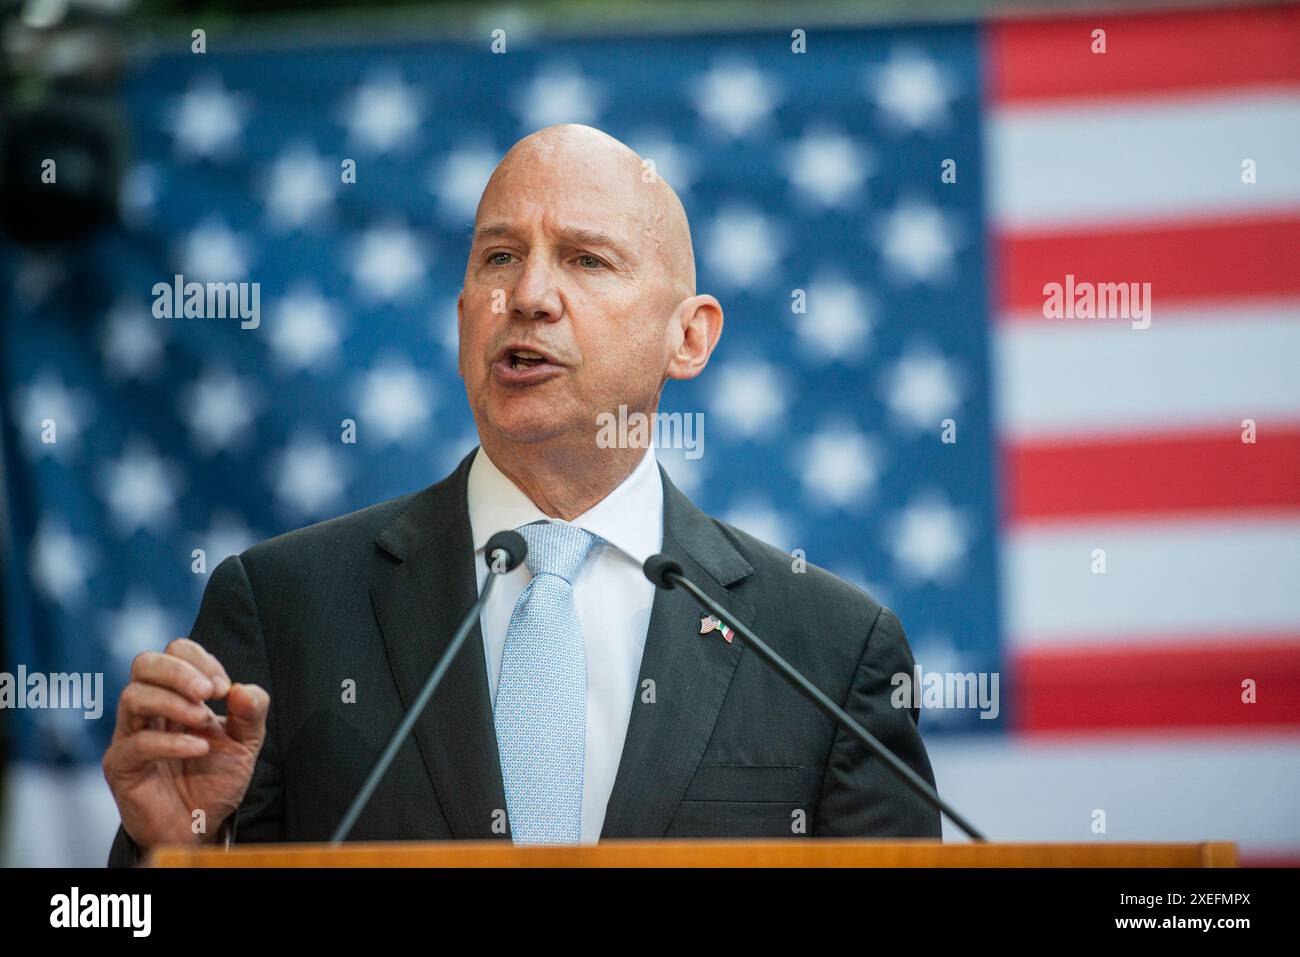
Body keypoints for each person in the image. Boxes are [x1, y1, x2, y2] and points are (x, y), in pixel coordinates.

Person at [103, 124, 940, 865]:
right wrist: (180, 850)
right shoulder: (284, 607)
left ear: (688, 336)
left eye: (586, 259)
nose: (529, 296)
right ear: (465, 309)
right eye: (500, 257)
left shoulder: (827, 651)